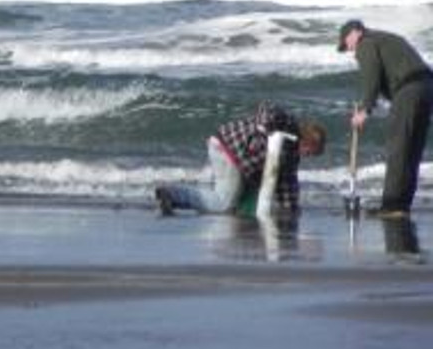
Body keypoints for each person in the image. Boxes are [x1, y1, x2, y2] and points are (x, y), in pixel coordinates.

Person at [155, 102, 326, 216]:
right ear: (307, 140)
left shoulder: (291, 157)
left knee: (237, 203)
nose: (308, 155)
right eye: (311, 151)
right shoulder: (289, 125)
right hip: (228, 148)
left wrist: (292, 211)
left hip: (240, 162)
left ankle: (179, 200)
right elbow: (267, 109)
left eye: (312, 154)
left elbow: (287, 186)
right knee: (224, 204)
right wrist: (262, 130)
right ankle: (173, 195)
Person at [338, 19, 433, 217]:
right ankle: (402, 205)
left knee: (398, 148)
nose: (350, 50)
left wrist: (365, 110)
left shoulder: (366, 43)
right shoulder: (386, 39)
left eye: (347, 44)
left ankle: (391, 206)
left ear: (355, 33)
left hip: (408, 90)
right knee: (412, 150)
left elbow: (371, 76)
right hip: (427, 87)